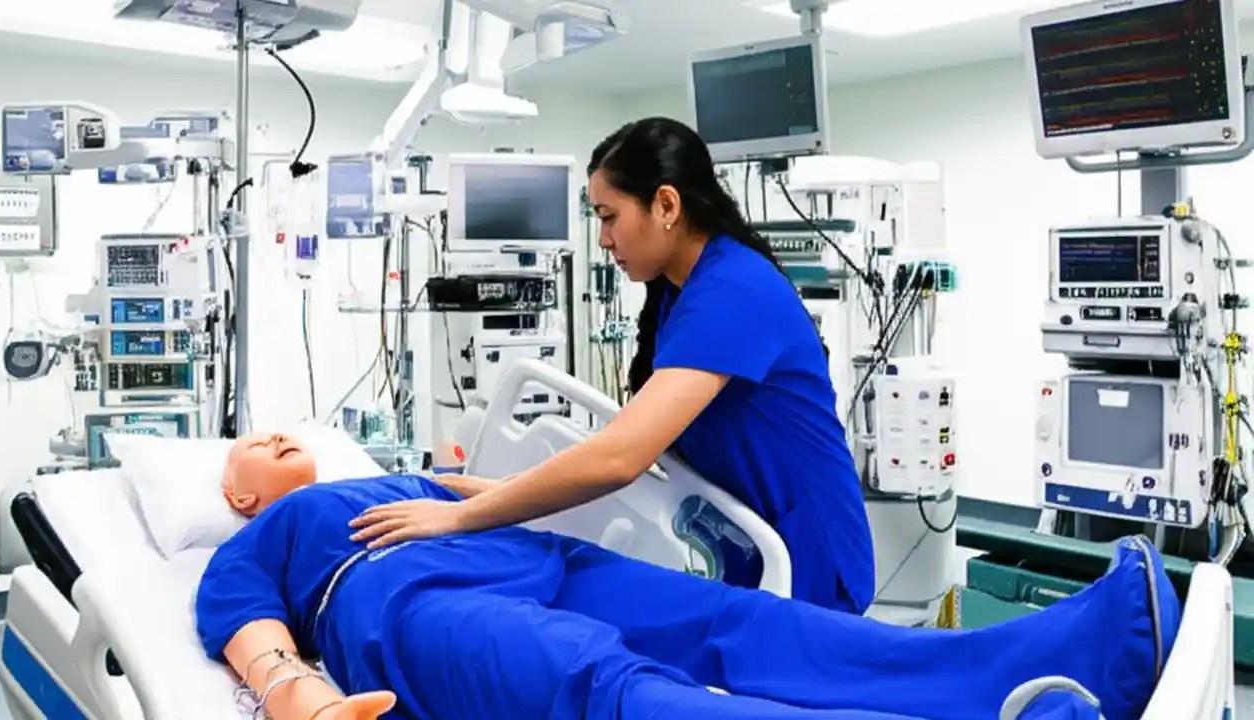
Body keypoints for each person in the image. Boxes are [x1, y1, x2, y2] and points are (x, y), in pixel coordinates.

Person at [196, 432, 1178, 720]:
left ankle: (1032, 668)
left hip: (535, 552)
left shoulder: (382, 473)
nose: (274, 437)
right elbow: (251, 633)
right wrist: (298, 697)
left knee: (736, 621)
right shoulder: (266, 537)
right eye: (248, 447)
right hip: (400, 596)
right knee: (591, 678)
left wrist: (485, 488)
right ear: (237, 497)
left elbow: (503, 488)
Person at [348, 117, 875, 614]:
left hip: (810, 554)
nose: (602, 239)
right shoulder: (678, 292)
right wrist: (500, 494)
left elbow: (621, 457)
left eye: (608, 217)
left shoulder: (734, 290)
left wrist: (462, 516)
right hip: (749, 545)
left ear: (665, 205)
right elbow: (636, 450)